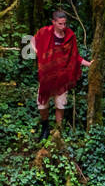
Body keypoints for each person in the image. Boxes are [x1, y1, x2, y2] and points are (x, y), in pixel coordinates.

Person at [32, 9, 91, 138]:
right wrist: (39, 53)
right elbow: (32, 41)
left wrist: (89, 64)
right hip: (47, 77)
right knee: (42, 106)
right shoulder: (44, 32)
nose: (63, 26)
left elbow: (75, 56)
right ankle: (45, 127)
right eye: (60, 24)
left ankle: (58, 131)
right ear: (53, 22)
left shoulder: (70, 36)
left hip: (62, 78)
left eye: (65, 24)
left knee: (60, 105)